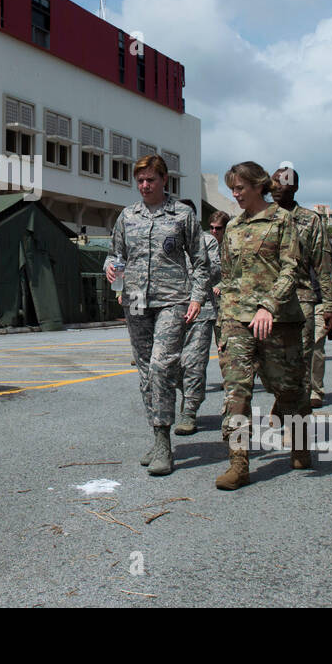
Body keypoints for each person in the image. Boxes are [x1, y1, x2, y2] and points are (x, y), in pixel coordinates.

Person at [106, 155, 208, 475]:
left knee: (163, 365)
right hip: (135, 298)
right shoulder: (127, 216)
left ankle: (165, 442)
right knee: (146, 371)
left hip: (172, 299)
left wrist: (197, 297)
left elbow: (200, 260)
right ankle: (157, 435)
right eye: (140, 181)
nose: (145, 186)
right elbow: (115, 253)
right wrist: (110, 269)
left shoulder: (182, 214)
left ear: (165, 180)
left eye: (151, 180)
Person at [214, 161, 307, 490]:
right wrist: (225, 322)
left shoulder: (283, 221)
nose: (235, 194)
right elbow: (228, 278)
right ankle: (239, 461)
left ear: (258, 186)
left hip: (278, 320)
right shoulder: (234, 227)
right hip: (238, 320)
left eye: (240, 188)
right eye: (232, 189)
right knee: (236, 390)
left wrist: (269, 305)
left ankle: (299, 437)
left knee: (286, 387)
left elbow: (291, 268)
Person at [271, 166, 332, 409]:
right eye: (274, 182)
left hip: (302, 300)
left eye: (283, 182)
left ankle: (297, 428)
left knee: (302, 361)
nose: (277, 187)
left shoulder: (311, 221)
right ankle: (282, 401)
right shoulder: (261, 218)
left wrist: (329, 304)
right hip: (268, 302)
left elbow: (323, 265)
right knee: (273, 362)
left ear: (295, 187)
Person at [171, 200, 222, 434]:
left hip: (201, 310)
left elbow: (213, 269)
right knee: (168, 363)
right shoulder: (167, 241)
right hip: (169, 310)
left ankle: (189, 410)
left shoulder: (207, 241)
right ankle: (190, 394)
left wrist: (180, 280)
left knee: (194, 363)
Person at [207, 211, 230, 355]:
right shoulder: (205, 245)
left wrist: (221, 286)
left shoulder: (231, 246)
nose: (214, 231)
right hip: (210, 302)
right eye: (212, 228)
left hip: (227, 303)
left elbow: (237, 271)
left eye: (218, 228)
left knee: (225, 343)